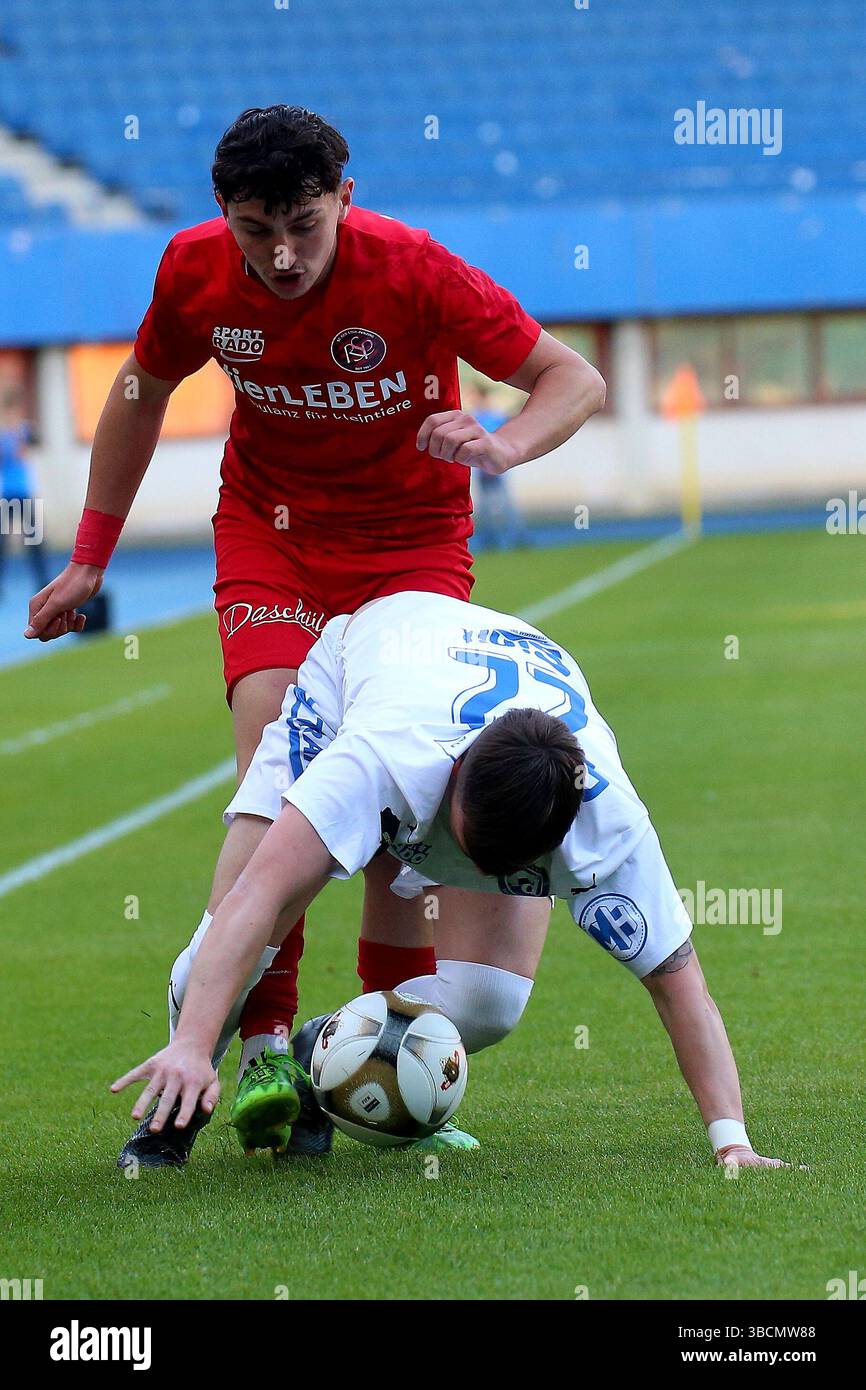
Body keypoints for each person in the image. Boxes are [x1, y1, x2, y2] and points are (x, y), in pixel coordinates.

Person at [25, 107, 606, 1123]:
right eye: (258, 231)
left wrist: (504, 446)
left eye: (304, 223)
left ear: (344, 197)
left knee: (392, 815)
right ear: (223, 215)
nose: (283, 255)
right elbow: (137, 392)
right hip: (273, 537)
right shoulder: (193, 271)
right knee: (277, 777)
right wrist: (87, 559)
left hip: (412, 546)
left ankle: (375, 1053)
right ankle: (263, 1049)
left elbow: (573, 377)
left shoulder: (415, 269)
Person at [113, 589, 787, 1172]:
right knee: (219, 955)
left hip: (473, 667)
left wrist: (732, 1143)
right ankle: (174, 1114)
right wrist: (195, 1043)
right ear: (454, 777)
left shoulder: (611, 829)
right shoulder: (381, 754)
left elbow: (678, 982)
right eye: (468, 847)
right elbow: (258, 897)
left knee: (487, 1002)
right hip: (357, 671)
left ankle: (322, 1052)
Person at [467, 381, 532, 550]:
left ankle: (517, 536)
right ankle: (491, 538)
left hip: (495, 469)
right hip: (483, 470)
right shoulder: (476, 418)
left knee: (506, 505)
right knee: (487, 508)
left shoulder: (489, 417)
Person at [0, 393, 49, 598]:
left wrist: (25, 432)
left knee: (35, 541)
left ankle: (43, 583)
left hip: (26, 492)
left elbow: (38, 439)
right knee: (2, 543)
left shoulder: (24, 430)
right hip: (6, 494)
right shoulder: (3, 436)